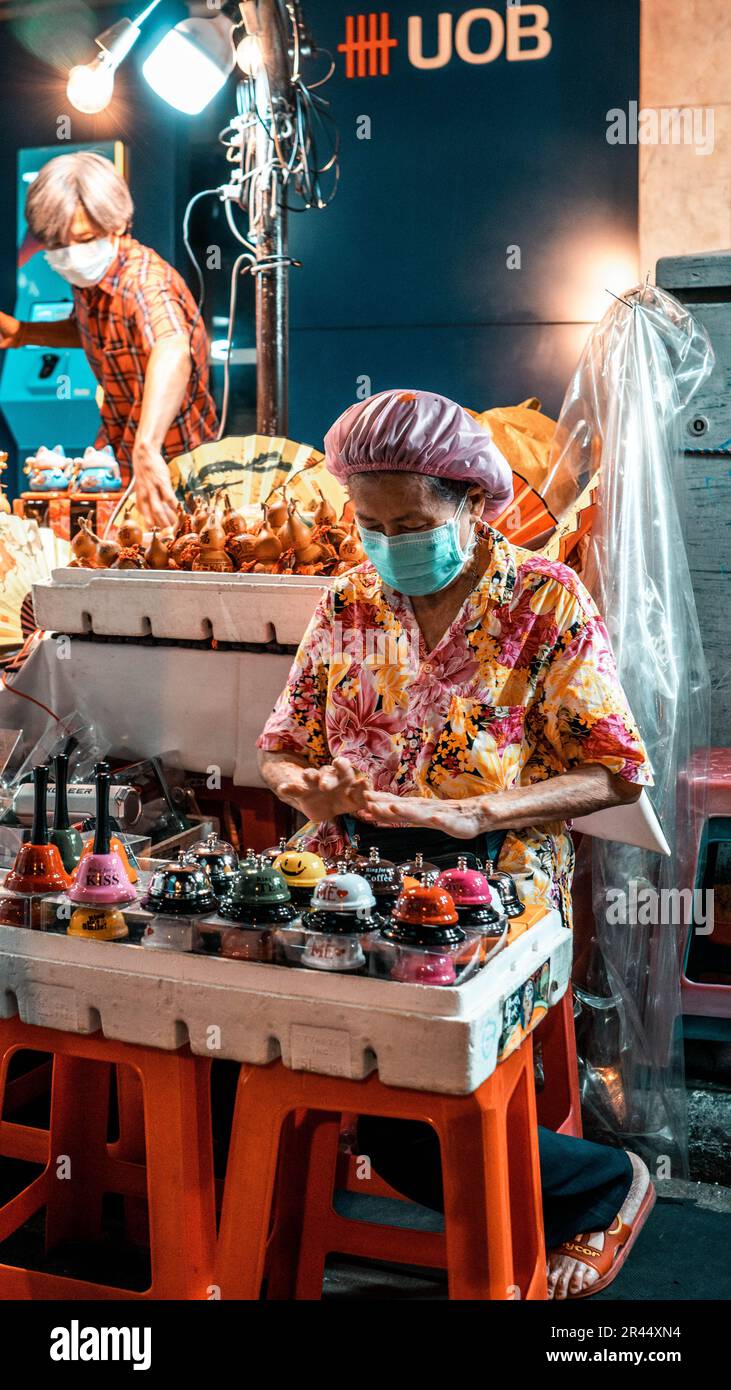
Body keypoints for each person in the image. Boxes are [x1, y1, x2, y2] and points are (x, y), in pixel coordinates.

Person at [257, 387, 657, 1299]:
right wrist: (305, 787)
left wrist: (476, 814)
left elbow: (616, 771)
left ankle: (603, 1184)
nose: (388, 542)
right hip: (348, 877)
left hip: (496, 881)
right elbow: (281, 747)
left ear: (474, 502)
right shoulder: (351, 601)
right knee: (253, 1032)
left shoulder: (544, 604)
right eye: (369, 521)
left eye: (409, 520)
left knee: (405, 1090)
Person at [0, 152, 218, 526]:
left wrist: (148, 449)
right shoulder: (92, 281)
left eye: (83, 239)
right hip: (126, 459)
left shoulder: (145, 282)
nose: (70, 254)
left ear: (116, 223)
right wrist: (22, 333)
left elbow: (172, 348)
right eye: (57, 244)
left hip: (175, 474)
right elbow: (89, 331)